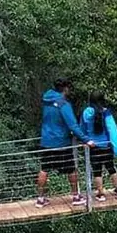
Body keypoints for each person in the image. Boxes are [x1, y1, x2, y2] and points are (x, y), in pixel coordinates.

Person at [36, 78, 95, 208]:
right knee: (71, 169)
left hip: (46, 140)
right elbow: (72, 125)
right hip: (61, 141)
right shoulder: (63, 104)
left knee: (44, 169)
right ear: (65, 89)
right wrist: (86, 139)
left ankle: (40, 199)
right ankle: (75, 196)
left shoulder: (47, 100)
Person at [82, 91, 117, 202]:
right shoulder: (106, 112)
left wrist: (84, 140)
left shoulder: (86, 112)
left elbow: (83, 128)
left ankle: (101, 194)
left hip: (93, 146)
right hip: (106, 146)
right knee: (111, 168)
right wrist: (116, 146)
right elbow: (112, 130)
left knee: (97, 171)